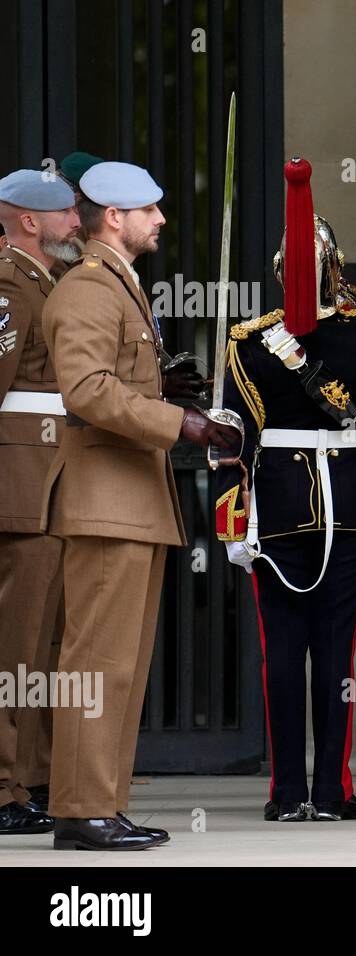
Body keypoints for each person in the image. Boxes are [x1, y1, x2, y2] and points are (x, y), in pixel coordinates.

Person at [40, 161, 240, 850]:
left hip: (129, 501)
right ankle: (80, 808)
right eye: (149, 209)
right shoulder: (90, 289)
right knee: (96, 665)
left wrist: (166, 387)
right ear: (115, 218)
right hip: (104, 501)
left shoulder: (117, 287)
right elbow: (88, 392)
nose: (160, 219)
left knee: (119, 666)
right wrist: (177, 422)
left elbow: (116, 379)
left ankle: (102, 802)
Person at [214, 158, 356, 822]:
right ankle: (332, 789)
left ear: (279, 271)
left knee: (282, 647)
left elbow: (231, 443)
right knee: (337, 644)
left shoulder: (246, 344)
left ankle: (285, 793)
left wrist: (230, 522)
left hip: (276, 500)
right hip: (351, 500)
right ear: (337, 271)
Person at [0, 169, 80, 835]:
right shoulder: (9, 281)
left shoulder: (45, 280)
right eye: (66, 213)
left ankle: (36, 778)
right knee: (16, 646)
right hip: (21, 485)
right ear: (31, 220)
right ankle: (4, 789)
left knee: (47, 643)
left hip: (51, 480)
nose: (77, 222)